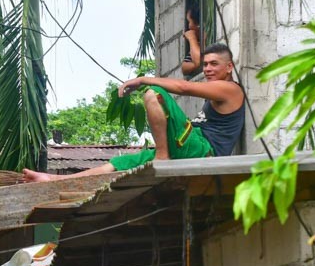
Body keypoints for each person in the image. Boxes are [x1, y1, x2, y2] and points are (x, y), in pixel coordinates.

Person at [23, 43, 245, 182]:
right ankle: (52, 179)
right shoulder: (218, 87)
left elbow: (185, 87)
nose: (207, 69)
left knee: (154, 92)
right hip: (188, 147)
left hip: (202, 150)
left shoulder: (231, 89)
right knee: (120, 164)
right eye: (205, 64)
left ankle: (162, 156)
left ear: (229, 67)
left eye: (214, 64)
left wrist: (141, 79)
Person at [182, 4, 203, 76]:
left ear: (198, 24)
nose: (189, 26)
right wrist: (197, 65)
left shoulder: (208, 43)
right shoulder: (197, 45)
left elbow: (198, 61)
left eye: (189, 21)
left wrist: (191, 38)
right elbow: (184, 67)